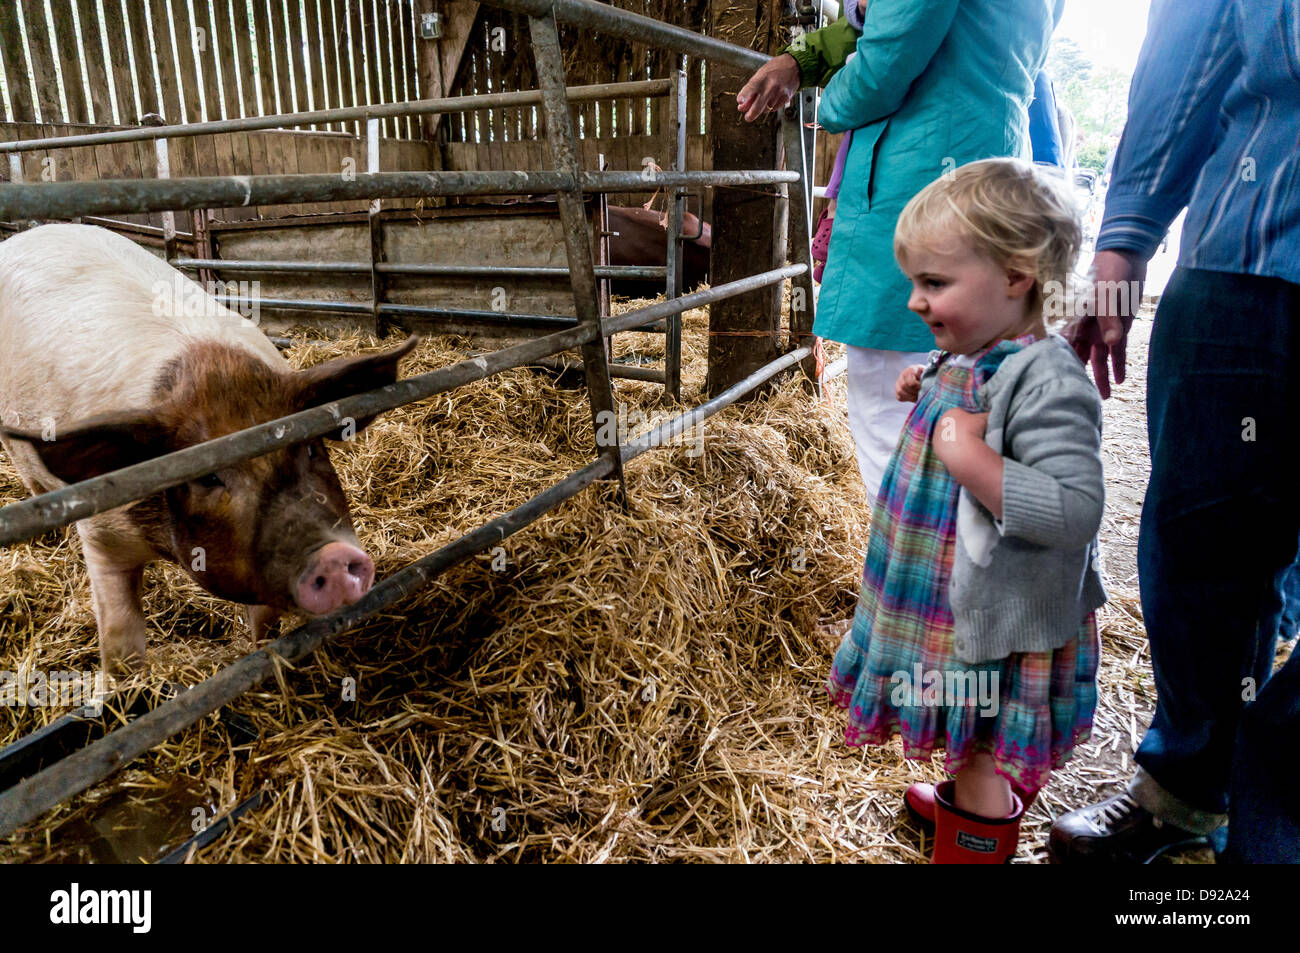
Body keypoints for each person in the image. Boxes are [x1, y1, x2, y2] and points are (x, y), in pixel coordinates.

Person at [1053, 0, 1300, 864]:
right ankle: (1189, 788)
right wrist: (1122, 246)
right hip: (1246, 255)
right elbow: (1187, 58)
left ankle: (1274, 820)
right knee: (1202, 541)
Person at [827, 158, 1106, 863]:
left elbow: (1071, 510)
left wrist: (960, 448)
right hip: (952, 596)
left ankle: (979, 826)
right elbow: (972, 395)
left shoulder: (1049, 381)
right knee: (967, 721)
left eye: (934, 283)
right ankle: (971, 797)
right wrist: (933, 381)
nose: (916, 301)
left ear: (1015, 277)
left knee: (983, 737)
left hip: (997, 612)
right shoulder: (979, 355)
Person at [735, 0, 1065, 505]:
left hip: (918, 175)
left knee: (891, 406)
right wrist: (802, 58)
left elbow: (881, 70)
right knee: (967, 383)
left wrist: (825, 102)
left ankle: (915, 562)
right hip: (987, 173)